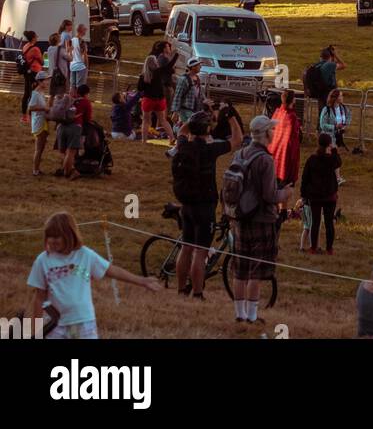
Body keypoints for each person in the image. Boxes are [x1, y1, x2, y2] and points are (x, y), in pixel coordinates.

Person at [27, 211, 161, 339]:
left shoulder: (85, 255)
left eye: (56, 236)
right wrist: (37, 330)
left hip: (83, 322)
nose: (52, 240)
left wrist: (141, 281)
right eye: (49, 236)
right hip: (55, 325)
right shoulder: (43, 261)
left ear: (69, 235)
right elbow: (39, 297)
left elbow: (112, 271)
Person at [172, 105, 243, 298]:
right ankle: (197, 292)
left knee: (186, 247)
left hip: (186, 204)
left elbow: (181, 130)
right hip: (205, 205)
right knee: (201, 252)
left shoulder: (183, 145)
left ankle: (180, 289)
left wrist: (194, 119)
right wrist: (230, 117)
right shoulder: (211, 148)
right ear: (208, 130)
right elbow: (237, 140)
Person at [227, 113, 280, 324]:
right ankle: (252, 315)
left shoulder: (240, 154)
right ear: (266, 133)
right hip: (261, 219)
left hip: (239, 217)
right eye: (272, 130)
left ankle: (239, 313)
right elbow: (269, 195)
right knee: (255, 270)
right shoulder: (265, 160)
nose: (274, 132)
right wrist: (284, 195)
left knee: (240, 269)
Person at [299, 131, 342, 255]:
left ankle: (313, 247)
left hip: (315, 196)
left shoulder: (312, 159)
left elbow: (305, 177)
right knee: (329, 223)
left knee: (315, 222)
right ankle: (329, 248)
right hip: (329, 196)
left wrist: (303, 194)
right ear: (329, 144)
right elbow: (339, 163)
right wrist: (334, 151)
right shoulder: (331, 160)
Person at [139, 41, 178, 143]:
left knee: (146, 121)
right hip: (160, 99)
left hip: (148, 99)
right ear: (155, 63)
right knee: (163, 120)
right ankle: (172, 137)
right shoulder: (159, 72)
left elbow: (140, 88)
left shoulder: (143, 76)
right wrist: (175, 56)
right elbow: (168, 67)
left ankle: (144, 140)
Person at [269, 91, 302, 205]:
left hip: (275, 152)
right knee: (285, 182)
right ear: (293, 100)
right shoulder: (291, 117)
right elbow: (291, 139)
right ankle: (282, 210)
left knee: (276, 182)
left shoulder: (278, 112)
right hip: (285, 154)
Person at [28, 72, 50, 176]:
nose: (47, 82)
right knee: (38, 149)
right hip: (38, 123)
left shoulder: (41, 92)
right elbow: (31, 108)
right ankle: (35, 170)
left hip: (43, 122)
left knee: (41, 148)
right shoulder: (35, 93)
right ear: (40, 81)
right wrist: (43, 108)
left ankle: (37, 168)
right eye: (45, 80)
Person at [19, 30, 43, 122]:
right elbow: (41, 61)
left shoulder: (25, 46)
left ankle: (24, 116)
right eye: (36, 36)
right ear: (33, 37)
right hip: (34, 73)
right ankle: (32, 115)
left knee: (27, 93)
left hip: (27, 72)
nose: (37, 37)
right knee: (34, 94)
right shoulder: (35, 49)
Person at [172, 57, 204, 126]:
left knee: (191, 129)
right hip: (185, 109)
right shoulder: (184, 79)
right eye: (198, 65)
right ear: (193, 67)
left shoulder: (197, 78)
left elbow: (199, 93)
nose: (200, 67)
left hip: (195, 108)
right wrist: (175, 112)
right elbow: (178, 96)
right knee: (190, 128)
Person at [70, 24, 88, 93]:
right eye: (84, 29)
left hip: (73, 65)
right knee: (80, 87)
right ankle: (78, 101)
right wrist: (86, 66)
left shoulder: (72, 40)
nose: (86, 30)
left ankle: (72, 101)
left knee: (72, 85)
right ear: (81, 30)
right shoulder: (82, 42)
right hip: (80, 66)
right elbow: (84, 55)